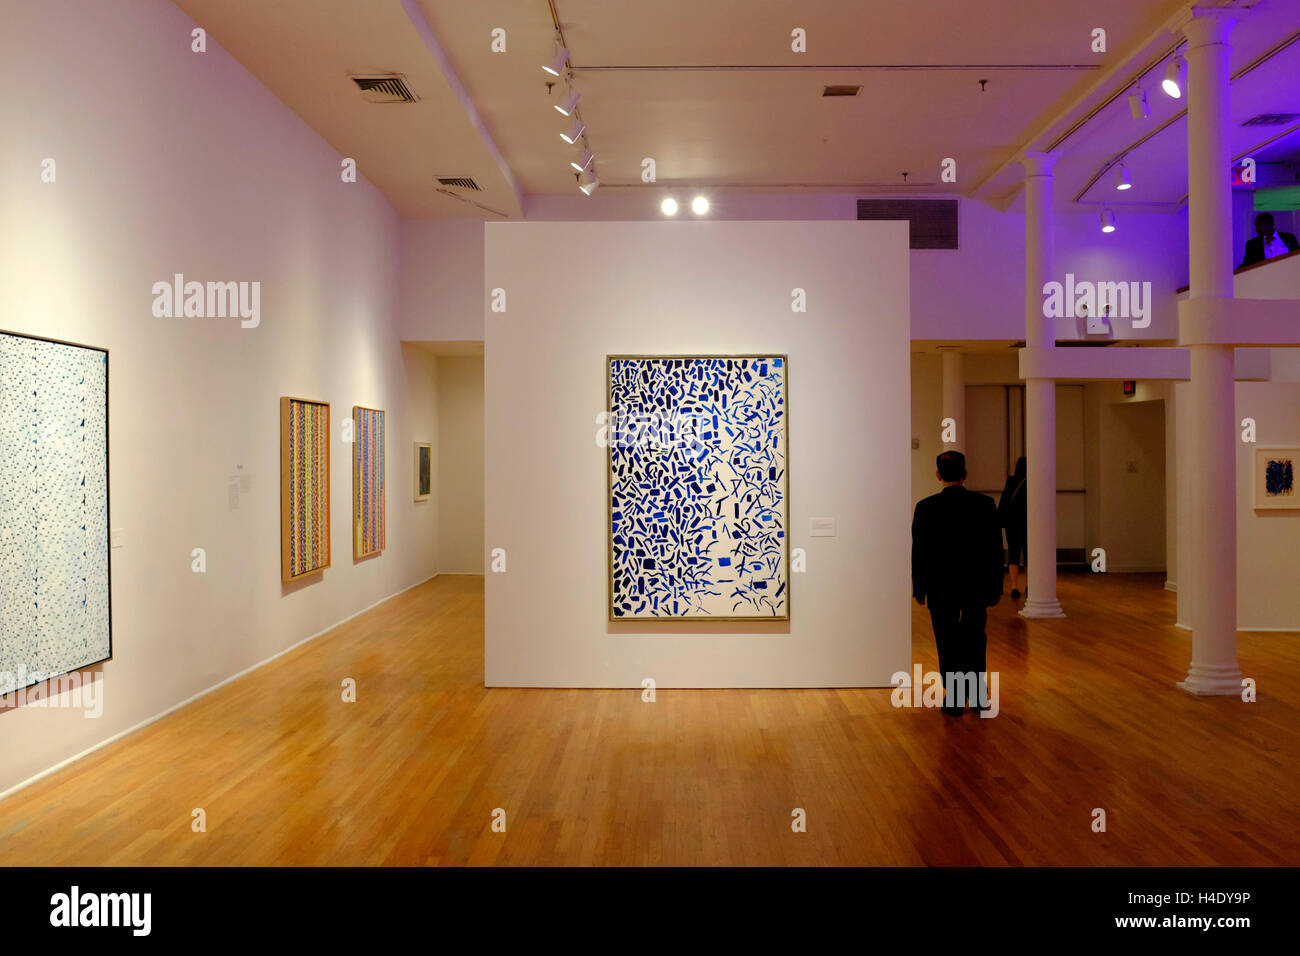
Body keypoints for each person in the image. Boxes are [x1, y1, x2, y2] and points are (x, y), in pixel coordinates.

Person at [911, 451, 1004, 717]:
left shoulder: (926, 507)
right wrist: (996, 586)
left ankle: (953, 699)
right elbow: (995, 550)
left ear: (938, 475)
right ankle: (976, 697)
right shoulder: (984, 505)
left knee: (947, 640)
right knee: (975, 639)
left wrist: (919, 587)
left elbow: (920, 551)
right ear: (965, 474)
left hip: (941, 587)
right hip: (975, 586)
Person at [997, 456, 1027, 600]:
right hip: (1029, 523)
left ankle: (1014, 586)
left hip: (1012, 523)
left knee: (1013, 554)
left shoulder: (1011, 481)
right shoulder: (1033, 481)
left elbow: (1004, 501)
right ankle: (1030, 585)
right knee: (1030, 556)